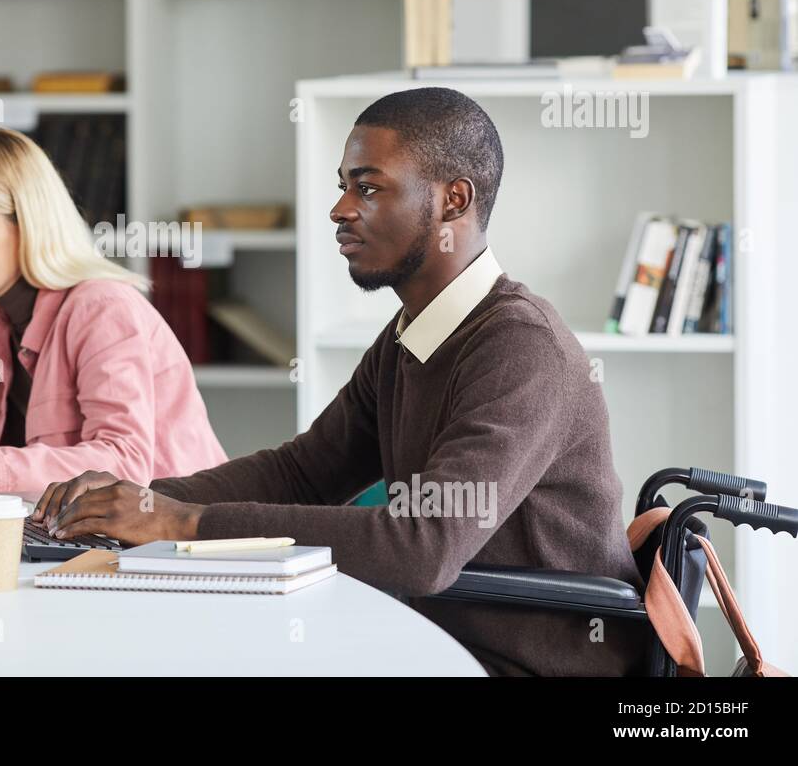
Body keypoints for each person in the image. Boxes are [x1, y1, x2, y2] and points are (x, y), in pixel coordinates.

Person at [32, 87, 647, 676]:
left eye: (369, 187)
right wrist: (133, 501)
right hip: (436, 641)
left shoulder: (520, 347)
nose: (340, 208)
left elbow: (422, 546)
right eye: (343, 186)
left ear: (452, 202)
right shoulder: (413, 333)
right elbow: (302, 472)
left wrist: (181, 523)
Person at [0, 126, 228, 498]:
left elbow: (123, 462)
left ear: (28, 227)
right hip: (74, 539)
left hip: (166, 546)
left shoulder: (103, 309)